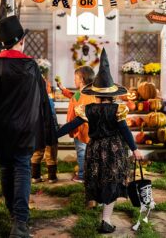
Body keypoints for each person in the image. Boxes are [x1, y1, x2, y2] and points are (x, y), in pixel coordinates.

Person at [0, 15, 57, 238]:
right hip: (25, 130)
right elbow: (40, 99)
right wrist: (45, 127)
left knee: (5, 169)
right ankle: (20, 222)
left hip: (2, 128)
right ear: (21, 42)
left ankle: (14, 215)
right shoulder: (30, 66)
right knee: (22, 169)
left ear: (3, 43)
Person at [57, 48, 143, 234]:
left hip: (94, 148)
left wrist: (52, 135)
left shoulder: (87, 110)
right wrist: (135, 149)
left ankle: (94, 202)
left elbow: (71, 125)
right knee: (111, 180)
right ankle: (106, 219)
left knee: (96, 178)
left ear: (95, 94)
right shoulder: (118, 110)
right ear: (112, 94)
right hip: (114, 150)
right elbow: (125, 131)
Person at [56, 66, 96, 183]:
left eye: (76, 78)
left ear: (82, 79)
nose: (74, 80)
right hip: (80, 128)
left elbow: (81, 111)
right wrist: (63, 89)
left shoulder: (86, 96)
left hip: (82, 129)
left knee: (82, 152)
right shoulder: (82, 93)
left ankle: (83, 175)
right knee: (83, 151)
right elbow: (74, 97)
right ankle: (87, 172)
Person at [31, 59, 59, 184]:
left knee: (37, 152)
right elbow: (52, 116)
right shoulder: (49, 102)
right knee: (51, 153)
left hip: (37, 130)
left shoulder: (32, 100)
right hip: (49, 129)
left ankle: (35, 176)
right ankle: (52, 177)